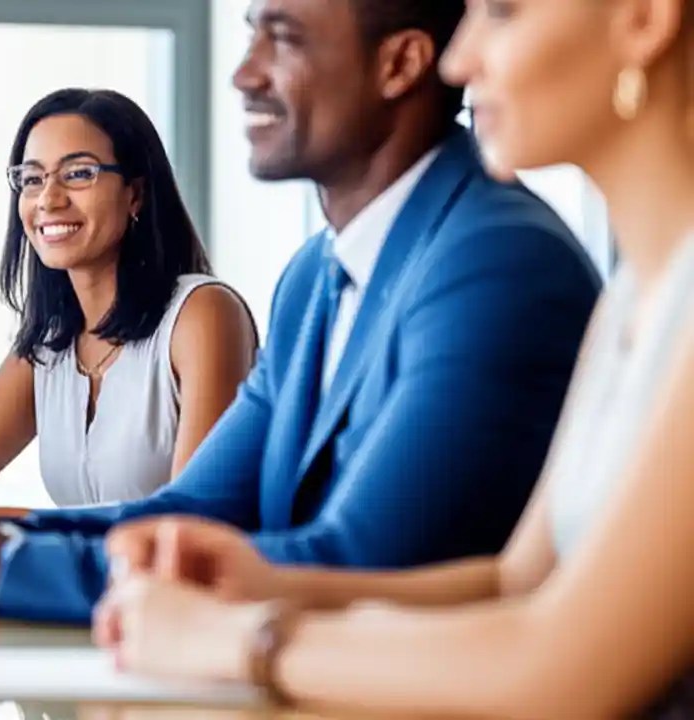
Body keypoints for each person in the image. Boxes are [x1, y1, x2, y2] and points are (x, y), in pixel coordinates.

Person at [0, 0, 603, 622]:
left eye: (282, 37)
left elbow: (362, 561)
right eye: (250, 33)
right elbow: (203, 508)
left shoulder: (495, 260)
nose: (244, 72)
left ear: (399, 65)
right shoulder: (314, 276)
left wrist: (3, 572)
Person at [98, 0, 694, 716]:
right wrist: (265, 582)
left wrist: (239, 640)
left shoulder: (531, 265)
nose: (458, 61)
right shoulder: (633, 300)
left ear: (643, 19)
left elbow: (565, 668)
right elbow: (515, 582)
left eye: (502, 13)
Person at [0, 88, 257, 524]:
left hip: (183, 590)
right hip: (85, 588)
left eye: (79, 174)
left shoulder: (203, 314)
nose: (49, 198)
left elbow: (191, 523)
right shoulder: (51, 343)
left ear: (135, 194)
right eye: (32, 179)